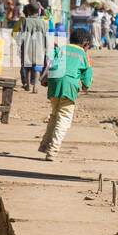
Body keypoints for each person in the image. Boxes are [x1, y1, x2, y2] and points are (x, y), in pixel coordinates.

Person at [38, 26, 94, 162]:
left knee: (55, 114)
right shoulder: (84, 55)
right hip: (68, 86)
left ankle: (45, 144)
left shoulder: (61, 49)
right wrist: (85, 86)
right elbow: (87, 80)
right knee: (64, 118)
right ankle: (53, 150)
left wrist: (44, 79)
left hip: (53, 84)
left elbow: (49, 63)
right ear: (86, 44)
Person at [15, 3, 48, 93]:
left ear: (29, 11)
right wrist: (47, 47)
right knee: (37, 67)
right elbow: (47, 37)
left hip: (27, 48)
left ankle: (28, 85)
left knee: (27, 67)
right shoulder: (43, 23)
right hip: (39, 48)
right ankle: (35, 87)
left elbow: (20, 36)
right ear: (38, 12)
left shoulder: (25, 21)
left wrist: (18, 45)